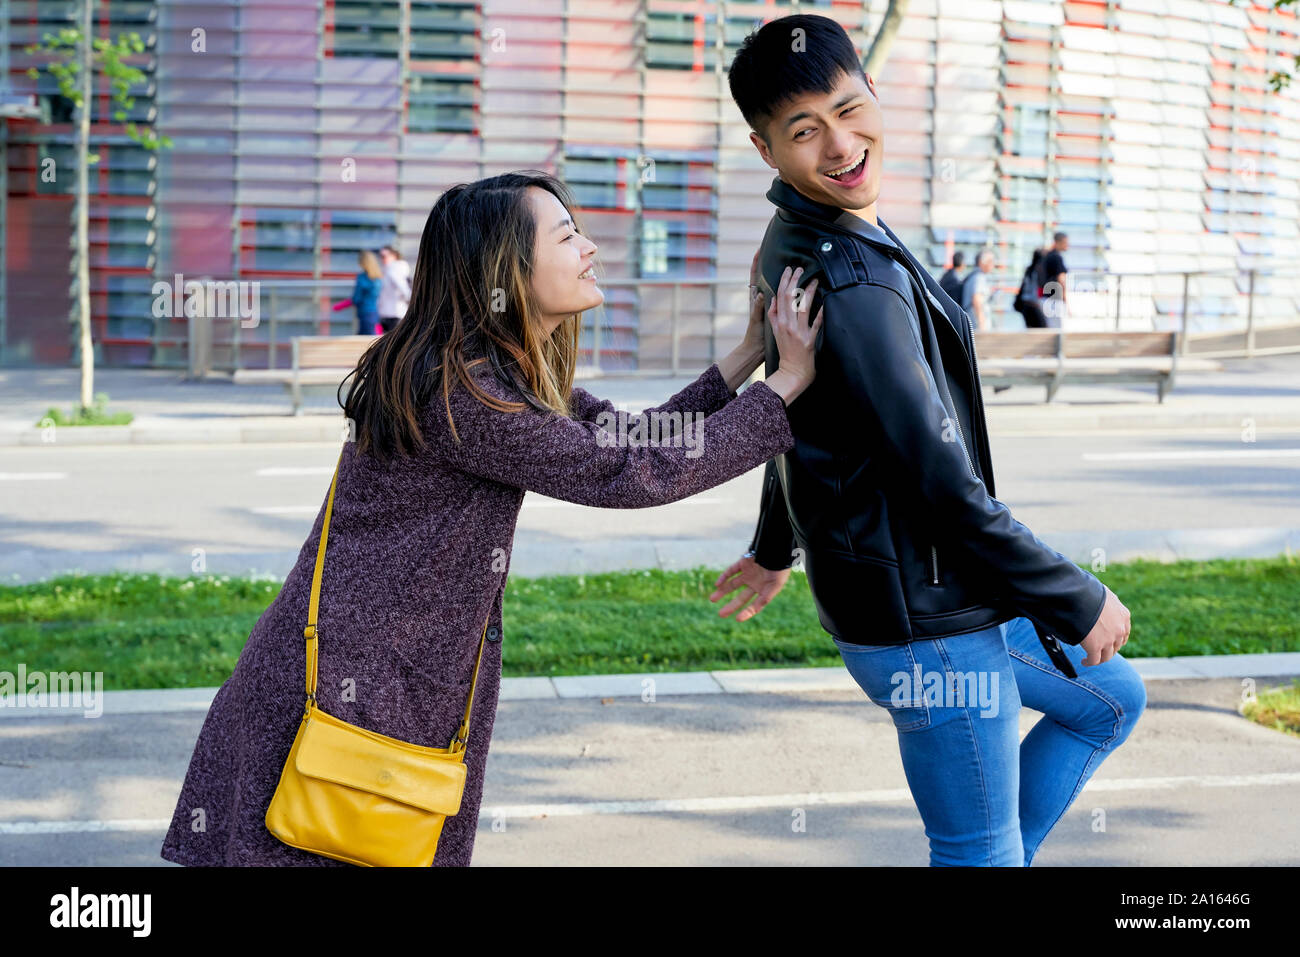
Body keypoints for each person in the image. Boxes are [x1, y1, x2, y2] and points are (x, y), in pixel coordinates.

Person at [158, 170, 822, 867]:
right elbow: (632, 475)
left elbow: (635, 440)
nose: (591, 248)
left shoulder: (490, 372)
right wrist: (784, 386)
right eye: (568, 236)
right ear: (506, 270)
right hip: (343, 704)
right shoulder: (467, 392)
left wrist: (750, 353)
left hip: (367, 688)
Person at [713, 13, 1144, 867]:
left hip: (937, 592)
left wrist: (772, 547)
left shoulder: (816, 235)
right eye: (805, 132)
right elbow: (941, 481)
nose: (839, 144)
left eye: (847, 108)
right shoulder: (853, 275)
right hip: (928, 622)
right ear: (768, 152)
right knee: (976, 847)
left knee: (1107, 700)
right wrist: (1075, 593)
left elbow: (794, 409)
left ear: (872, 92)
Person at [331, 250, 383, 335]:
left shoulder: (362, 278)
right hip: (374, 314)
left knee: (365, 342)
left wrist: (339, 306)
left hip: (365, 315)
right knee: (374, 338)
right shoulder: (378, 278)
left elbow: (356, 299)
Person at [377, 244, 411, 333]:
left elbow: (405, 289)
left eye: (384, 256)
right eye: (380, 256)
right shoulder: (387, 270)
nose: (382, 259)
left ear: (394, 256)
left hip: (395, 313)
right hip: (388, 312)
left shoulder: (393, 270)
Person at [1013, 248, 1048, 329]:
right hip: (1034, 305)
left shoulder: (1029, 269)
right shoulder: (1039, 270)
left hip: (1025, 304)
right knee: (1044, 331)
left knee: (1031, 329)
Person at [1040, 231, 1069, 328]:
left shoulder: (1047, 255)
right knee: (1056, 332)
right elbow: (1061, 280)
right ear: (1058, 242)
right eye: (1065, 243)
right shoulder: (1057, 257)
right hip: (1054, 300)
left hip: (1044, 298)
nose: (1067, 245)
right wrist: (1065, 299)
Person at [966, 249, 995, 331]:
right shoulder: (979, 278)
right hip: (977, 326)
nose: (993, 264)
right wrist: (982, 323)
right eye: (991, 261)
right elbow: (976, 299)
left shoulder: (973, 276)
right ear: (982, 262)